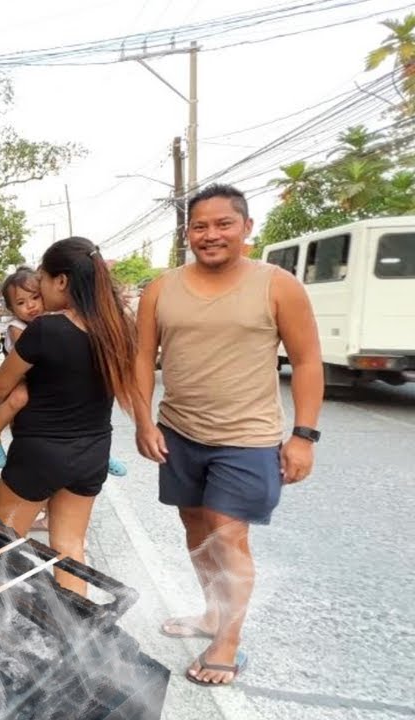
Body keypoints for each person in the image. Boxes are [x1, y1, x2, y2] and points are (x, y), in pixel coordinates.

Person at [134, 184, 322, 687]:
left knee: (227, 532)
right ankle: (213, 614)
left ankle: (229, 641)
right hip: (179, 431)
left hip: (249, 438)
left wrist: (303, 436)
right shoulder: (161, 288)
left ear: (246, 228)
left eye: (223, 224)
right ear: (188, 232)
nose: (211, 235)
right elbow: (140, 359)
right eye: (200, 226)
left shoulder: (277, 285)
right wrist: (144, 421)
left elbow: (306, 361)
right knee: (195, 528)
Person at [0, 237, 137, 596]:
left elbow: (1, 386)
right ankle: (77, 635)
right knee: (70, 548)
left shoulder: (47, 329)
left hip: (39, 454)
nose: (38, 289)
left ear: (62, 281)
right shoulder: (119, 329)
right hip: (92, 453)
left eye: (42, 280)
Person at [0, 269, 129, 477]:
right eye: (21, 303)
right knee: (18, 398)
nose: (30, 306)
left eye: (35, 298)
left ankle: (101, 455)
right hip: (22, 378)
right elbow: (33, 355)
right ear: (11, 308)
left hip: (47, 379)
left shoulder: (54, 319)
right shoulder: (18, 328)